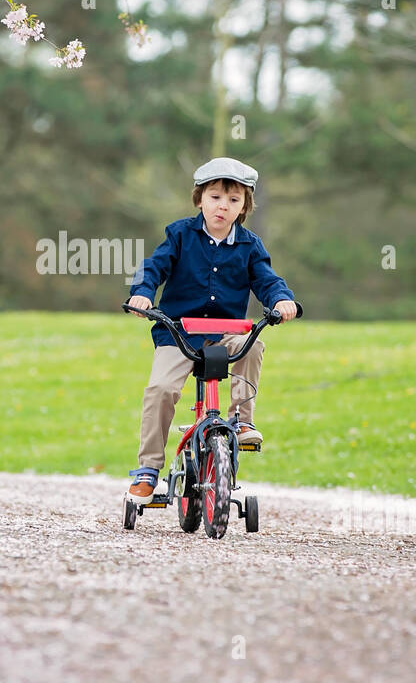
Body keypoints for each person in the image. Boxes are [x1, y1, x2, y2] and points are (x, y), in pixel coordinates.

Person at [124, 157, 301, 503]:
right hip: (178, 332)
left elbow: (268, 281)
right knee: (160, 388)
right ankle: (148, 468)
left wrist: (281, 300)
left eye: (233, 200)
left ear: (244, 207)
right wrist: (143, 294)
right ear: (200, 198)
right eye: (216, 197)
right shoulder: (179, 235)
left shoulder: (250, 246)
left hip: (225, 333)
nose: (223, 206)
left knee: (252, 345)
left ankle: (241, 421)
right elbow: (154, 267)